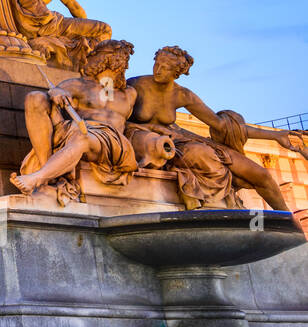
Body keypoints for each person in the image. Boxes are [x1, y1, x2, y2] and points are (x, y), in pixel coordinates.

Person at [127, 46, 304, 226]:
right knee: (202, 154)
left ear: (176, 72)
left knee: (261, 175)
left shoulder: (182, 94)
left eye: (165, 67)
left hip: (181, 137)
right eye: (157, 64)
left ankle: (290, 225)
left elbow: (221, 125)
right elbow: (114, 117)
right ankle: (225, 200)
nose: (158, 70)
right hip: (154, 142)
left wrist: (274, 135)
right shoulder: (136, 84)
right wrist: (150, 127)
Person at [11, 39, 138, 203]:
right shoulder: (78, 84)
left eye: (122, 58)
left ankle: (37, 178)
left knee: (82, 137)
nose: (120, 61)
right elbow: (57, 93)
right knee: (35, 98)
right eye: (116, 56)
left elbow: (142, 123)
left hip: (110, 141)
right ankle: (48, 174)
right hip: (76, 129)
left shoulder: (130, 93)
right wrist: (56, 93)